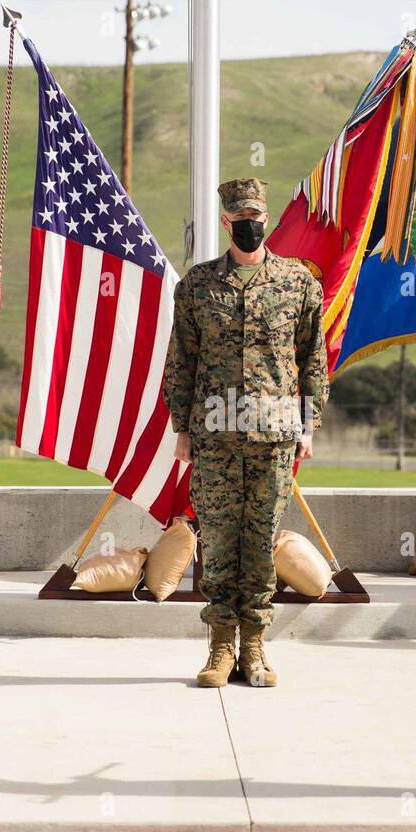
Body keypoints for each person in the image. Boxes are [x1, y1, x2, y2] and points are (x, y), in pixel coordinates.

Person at [164, 177, 329, 688]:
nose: (250, 225)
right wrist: (182, 427)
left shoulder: (298, 283)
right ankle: (219, 647)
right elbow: (181, 361)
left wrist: (309, 421)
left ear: (266, 217)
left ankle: (254, 646)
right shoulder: (196, 286)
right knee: (216, 541)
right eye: (240, 219)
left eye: (257, 216)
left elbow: (313, 358)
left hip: (274, 437)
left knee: (259, 543)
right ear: (225, 222)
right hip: (213, 435)